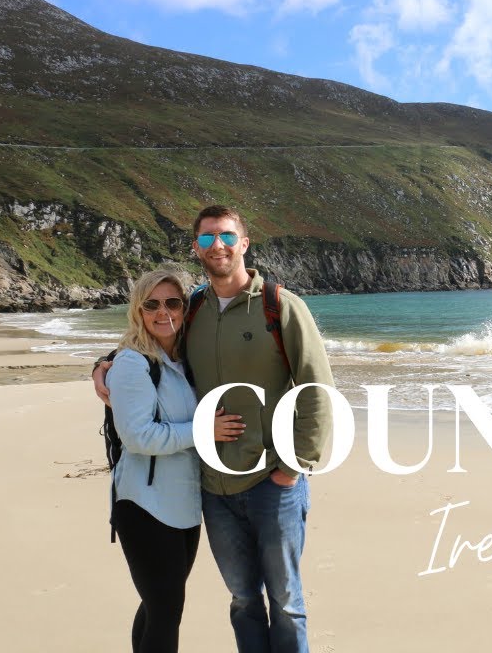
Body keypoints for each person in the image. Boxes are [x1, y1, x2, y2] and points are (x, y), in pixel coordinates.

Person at [98, 205, 335, 653]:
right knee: (243, 600)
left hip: (273, 481)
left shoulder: (280, 306)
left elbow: (317, 388)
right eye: (206, 239)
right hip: (212, 488)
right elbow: (150, 337)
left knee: (285, 602)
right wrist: (104, 365)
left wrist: (294, 466)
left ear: (244, 243)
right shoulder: (194, 310)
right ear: (196, 248)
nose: (217, 246)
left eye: (226, 236)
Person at [107, 265, 245, 653]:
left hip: (183, 506)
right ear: (138, 311)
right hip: (145, 506)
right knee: (167, 610)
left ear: (185, 309)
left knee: (158, 606)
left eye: (172, 303)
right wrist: (204, 431)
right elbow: (138, 438)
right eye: (151, 304)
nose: (162, 312)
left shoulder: (183, 361)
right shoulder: (133, 363)